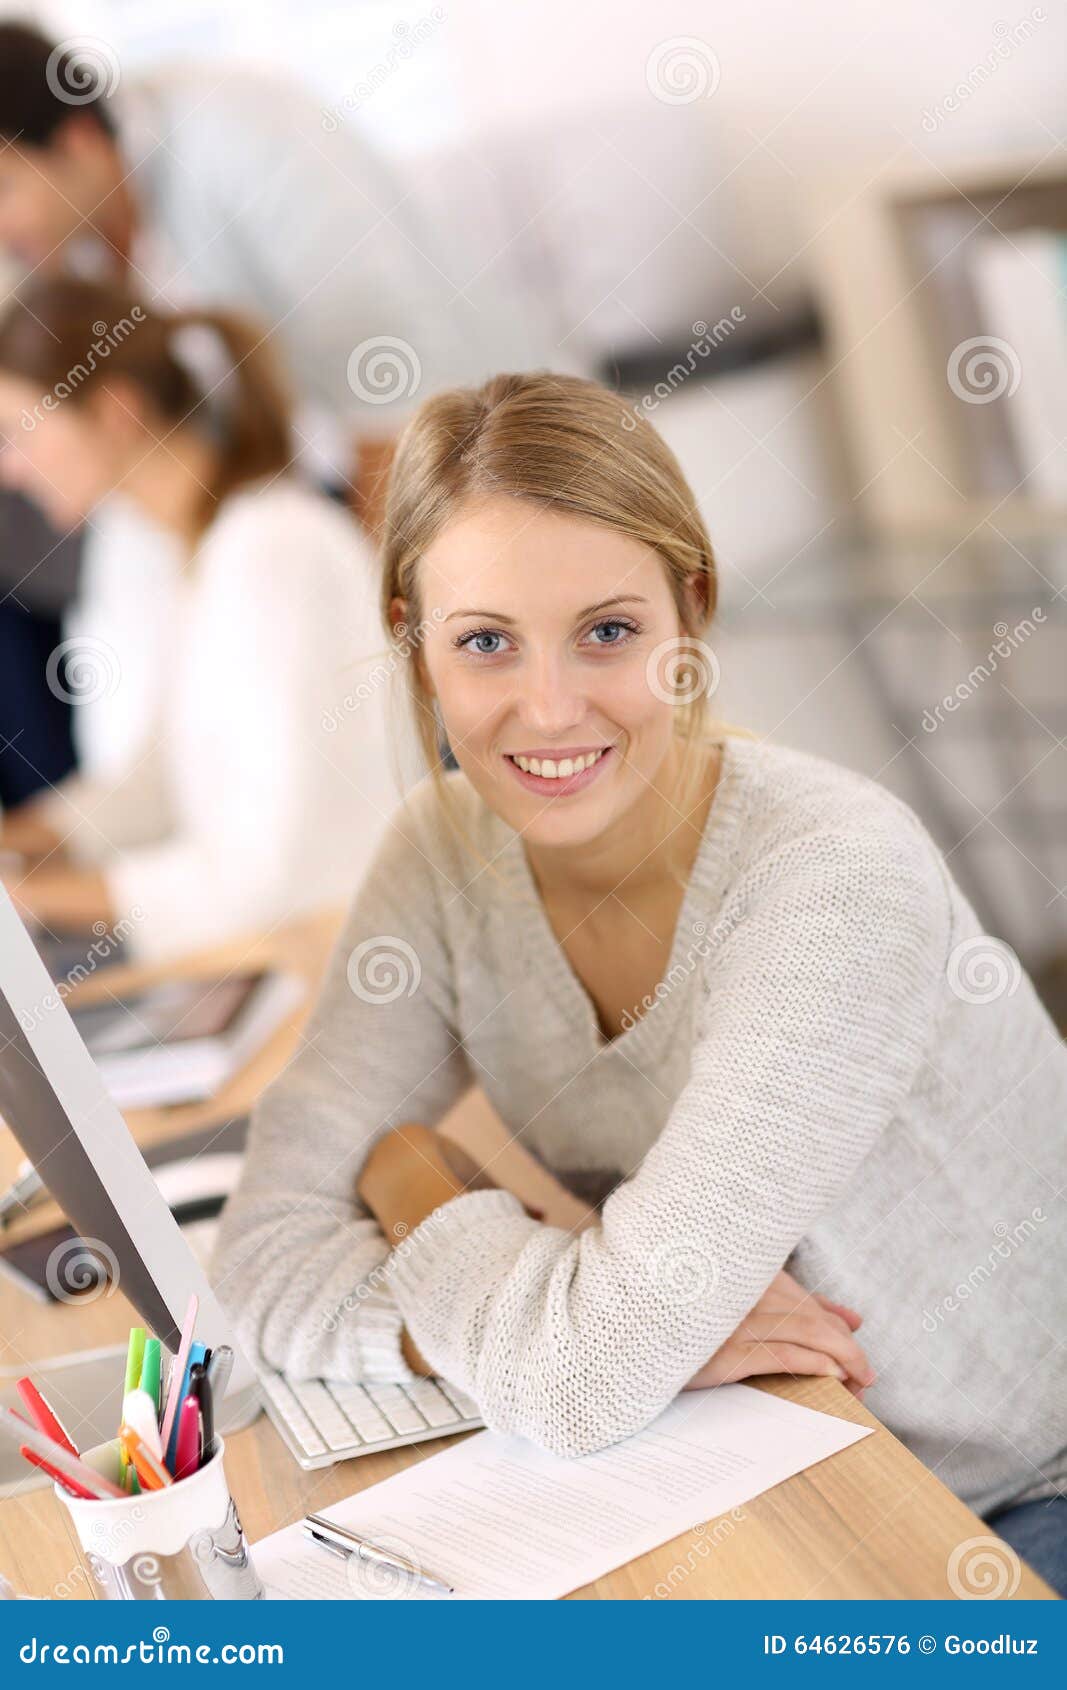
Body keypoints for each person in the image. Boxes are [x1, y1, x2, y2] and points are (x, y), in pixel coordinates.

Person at [208, 372, 1067, 1594]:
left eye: (605, 631)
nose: (546, 708)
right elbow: (259, 1261)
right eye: (484, 643)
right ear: (415, 640)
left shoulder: (830, 879)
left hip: (1005, 1493)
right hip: (751, 1454)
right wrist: (583, 1318)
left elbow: (582, 1376)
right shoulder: (438, 854)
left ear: (689, 613)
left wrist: (418, 1180)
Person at [0, 276, 409, 961]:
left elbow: (270, 876)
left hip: (349, 956)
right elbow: (161, 780)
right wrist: (23, 840)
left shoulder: (269, 553)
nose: (10, 471)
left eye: (17, 433)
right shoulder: (206, 556)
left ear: (117, 413)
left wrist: (34, 896)